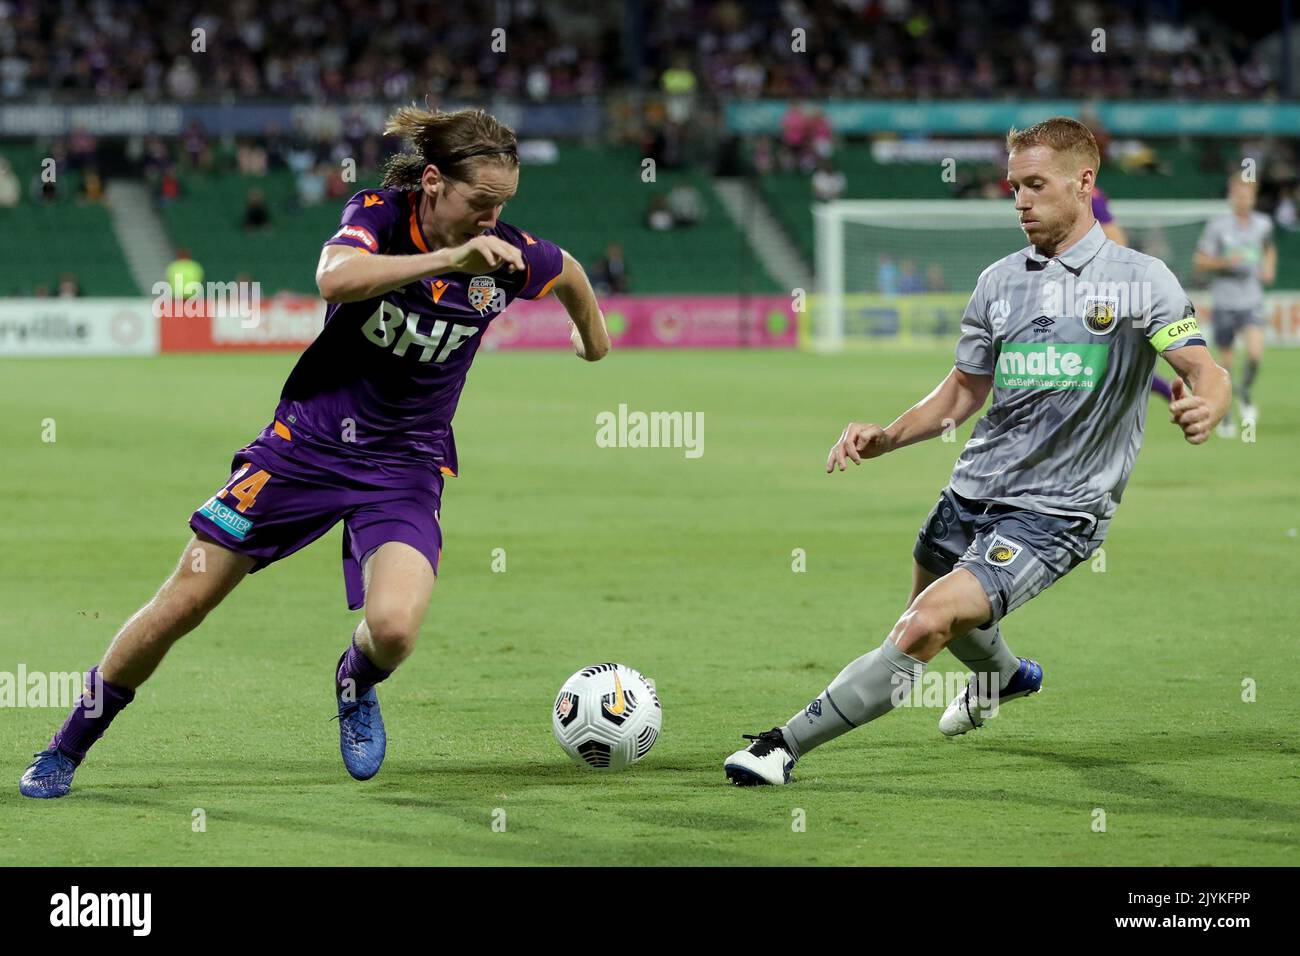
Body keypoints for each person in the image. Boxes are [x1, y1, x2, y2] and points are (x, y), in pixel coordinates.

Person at [21, 106, 611, 798]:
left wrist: (592, 341)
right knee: (183, 603)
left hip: (405, 466)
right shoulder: (381, 216)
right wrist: (451, 257)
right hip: (304, 450)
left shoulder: (508, 256)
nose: (492, 217)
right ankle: (67, 745)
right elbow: (335, 279)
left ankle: (355, 679)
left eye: (503, 204)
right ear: (432, 181)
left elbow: (568, 271)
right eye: (481, 200)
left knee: (393, 629)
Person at [724, 117, 1229, 786]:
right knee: (943, 613)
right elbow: (964, 389)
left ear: (1084, 184)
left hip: (1057, 512)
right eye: (1013, 186)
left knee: (926, 622)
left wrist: (1211, 400)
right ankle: (1007, 677)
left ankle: (779, 746)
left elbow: (1203, 368)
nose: (1020, 200)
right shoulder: (998, 282)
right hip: (971, 489)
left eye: (1035, 185)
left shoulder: (1141, 280)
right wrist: (888, 435)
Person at [1193, 175, 1276, 438]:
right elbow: (1200, 261)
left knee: (1254, 353)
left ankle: (1246, 392)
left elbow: (1268, 247)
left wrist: (1268, 267)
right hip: (1225, 302)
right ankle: (1226, 412)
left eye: (1248, 194)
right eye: (1239, 194)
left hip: (1251, 300)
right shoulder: (1218, 226)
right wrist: (1225, 263)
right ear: (1232, 196)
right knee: (1225, 364)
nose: (1244, 199)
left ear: (1253, 197)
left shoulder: (1262, 224)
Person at [1092, 182, 1175, 403]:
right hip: (1109, 286)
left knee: (1106, 360)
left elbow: (1116, 238)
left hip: (1106, 288)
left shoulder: (1089, 196)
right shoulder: (1090, 193)